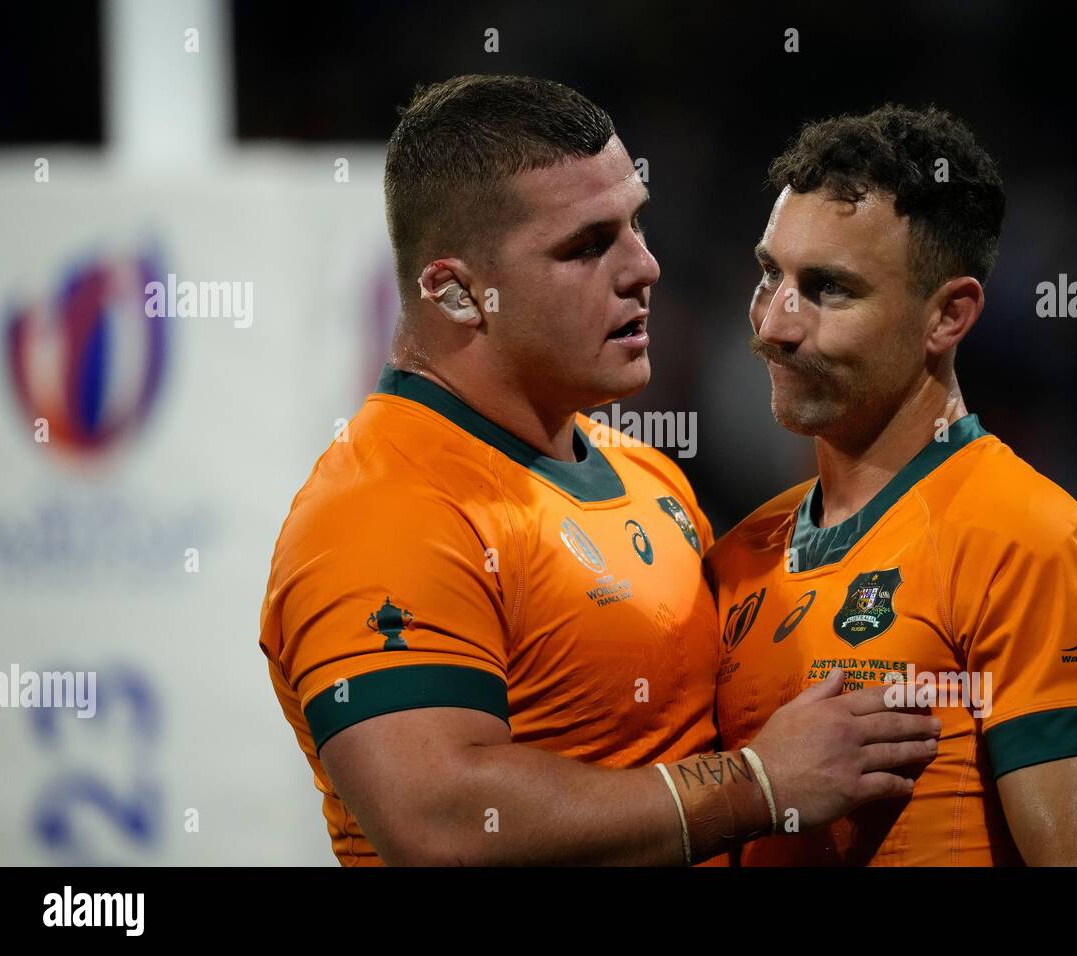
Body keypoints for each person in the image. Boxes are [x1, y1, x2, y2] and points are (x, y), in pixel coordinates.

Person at [258, 75, 940, 866]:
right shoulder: (382, 513)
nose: (644, 267)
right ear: (457, 293)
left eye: (635, 224)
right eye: (586, 246)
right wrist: (755, 785)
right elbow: (442, 824)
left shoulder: (649, 478)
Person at [708, 104, 1077, 865]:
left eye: (828, 288)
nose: (775, 324)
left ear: (948, 316)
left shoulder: (1027, 540)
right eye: (770, 274)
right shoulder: (740, 555)